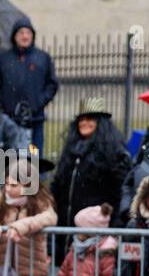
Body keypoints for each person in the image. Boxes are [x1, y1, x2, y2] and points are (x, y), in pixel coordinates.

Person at [52, 98, 132, 247]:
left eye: (90, 119)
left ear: (100, 123)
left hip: (95, 229)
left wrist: (113, 225)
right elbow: (58, 185)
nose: (84, 123)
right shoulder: (71, 150)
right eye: (81, 119)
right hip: (67, 228)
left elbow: (121, 190)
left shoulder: (113, 152)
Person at [0, 17, 58, 152]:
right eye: (21, 32)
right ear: (14, 36)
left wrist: (39, 101)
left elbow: (52, 84)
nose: (25, 36)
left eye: (28, 32)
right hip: (9, 119)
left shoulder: (42, 58)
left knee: (33, 157)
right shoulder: (4, 58)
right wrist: (2, 105)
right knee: (10, 156)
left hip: (35, 119)